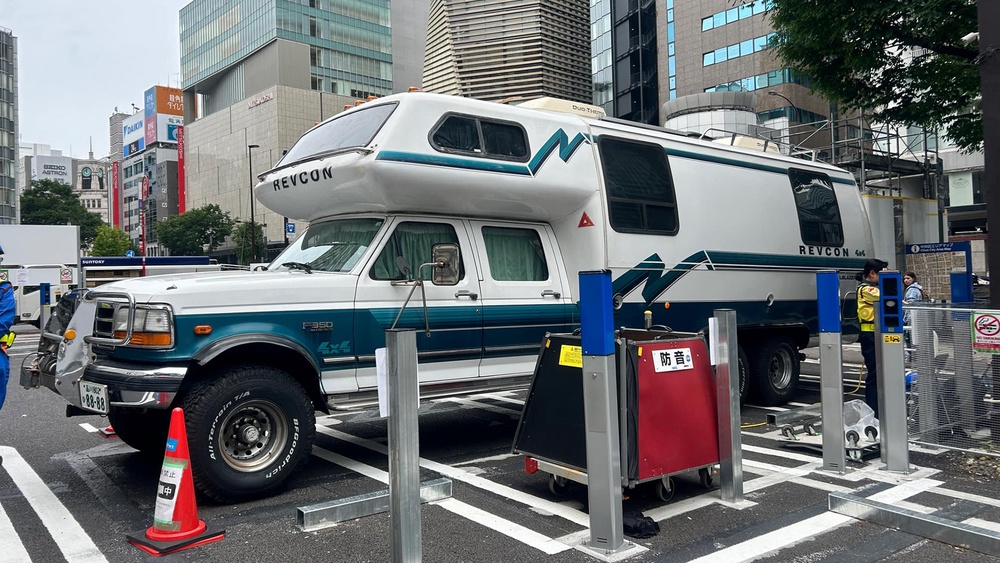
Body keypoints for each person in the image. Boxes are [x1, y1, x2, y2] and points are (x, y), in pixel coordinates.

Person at [857, 258, 888, 416]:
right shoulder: (866, 290)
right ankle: (874, 411)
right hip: (870, 336)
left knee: (882, 372)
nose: (885, 276)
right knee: (875, 374)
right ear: (872, 273)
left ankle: (881, 408)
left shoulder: (873, 288)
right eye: (882, 272)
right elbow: (888, 296)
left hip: (878, 335)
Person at [902, 271, 924, 361]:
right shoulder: (917, 288)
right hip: (914, 315)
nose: (906, 280)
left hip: (911, 316)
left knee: (909, 336)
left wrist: (900, 301)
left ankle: (913, 356)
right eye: (904, 279)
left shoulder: (912, 290)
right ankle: (914, 355)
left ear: (913, 279)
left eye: (908, 278)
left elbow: (911, 304)